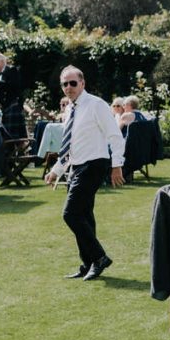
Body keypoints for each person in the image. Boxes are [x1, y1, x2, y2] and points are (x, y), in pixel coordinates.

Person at [45, 66, 125, 280]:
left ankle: (99, 257)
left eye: (73, 83)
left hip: (94, 164)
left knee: (70, 213)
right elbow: (70, 145)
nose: (69, 87)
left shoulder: (96, 104)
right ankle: (88, 263)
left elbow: (114, 136)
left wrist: (117, 165)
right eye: (65, 84)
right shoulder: (70, 109)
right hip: (76, 166)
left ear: (83, 83)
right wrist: (56, 171)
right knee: (84, 216)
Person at [0, 52, 26, 139]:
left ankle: (18, 151)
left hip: (13, 105)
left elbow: (14, 86)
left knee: (14, 136)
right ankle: (10, 152)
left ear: (1, 61)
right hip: (5, 108)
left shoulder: (11, 70)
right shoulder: (1, 74)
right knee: (7, 134)